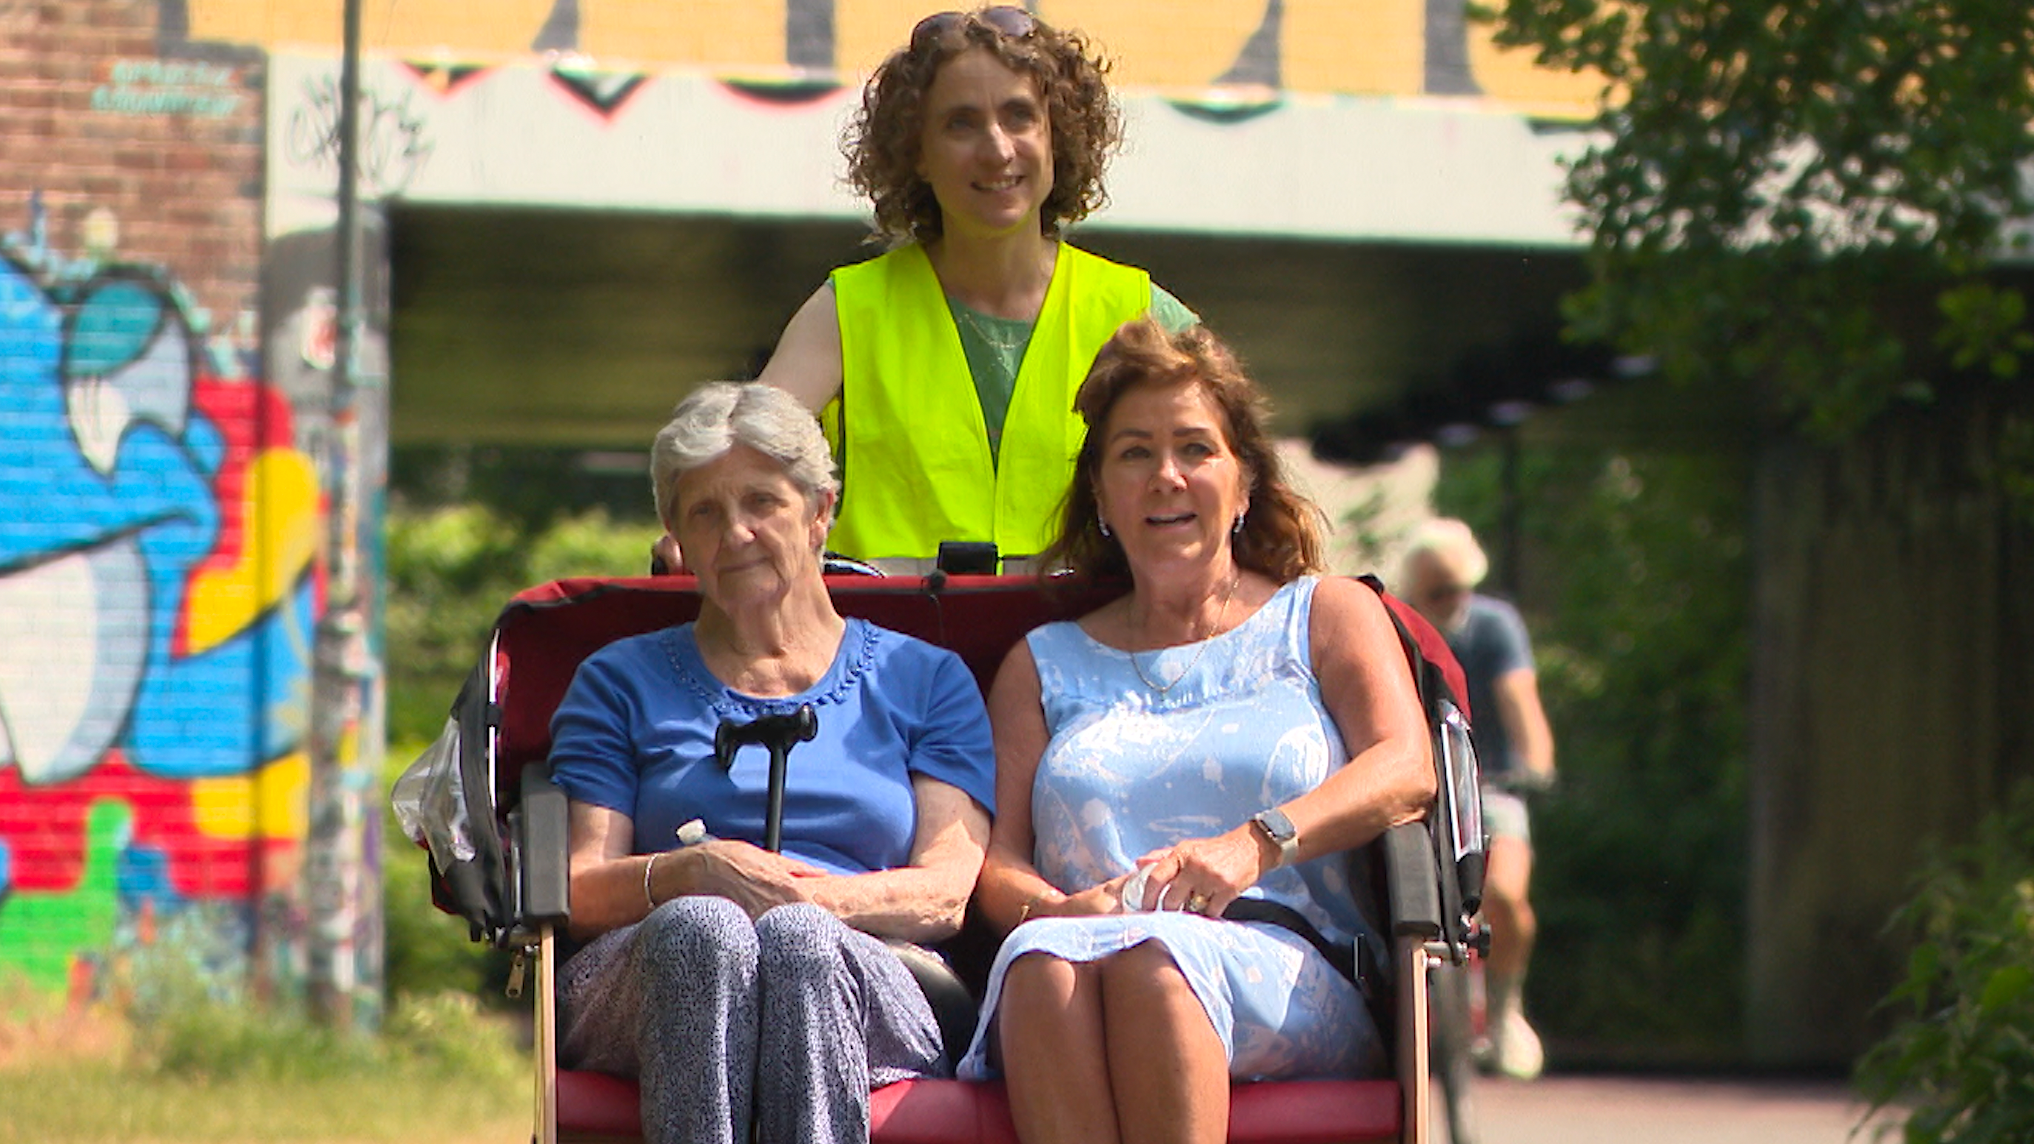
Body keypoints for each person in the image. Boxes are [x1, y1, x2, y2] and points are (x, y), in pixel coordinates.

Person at [960, 318, 1437, 1144]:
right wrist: (1059, 909)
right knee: (1038, 968)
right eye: (1135, 454)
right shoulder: (1041, 664)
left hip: (1279, 960)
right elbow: (996, 861)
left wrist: (1256, 842)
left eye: (1195, 449)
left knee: (1159, 961)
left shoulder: (1323, 615)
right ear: (1102, 496)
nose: (1166, 477)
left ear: (1245, 480)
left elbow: (1407, 768)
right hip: (1078, 955)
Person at [549, 382, 997, 1144]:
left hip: (876, 968)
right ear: (676, 535)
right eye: (705, 512)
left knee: (799, 943)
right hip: (652, 967)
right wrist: (689, 873)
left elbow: (947, 893)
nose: (736, 534)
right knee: (704, 928)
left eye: (762, 502)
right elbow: (577, 886)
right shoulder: (617, 679)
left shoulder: (924, 678)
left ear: (821, 510)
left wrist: (794, 901)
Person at [755, 6, 1197, 573]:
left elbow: (1236, 478)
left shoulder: (1140, 313)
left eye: (1019, 117)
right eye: (961, 123)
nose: (996, 148)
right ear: (917, 152)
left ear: (1056, 135)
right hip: (888, 653)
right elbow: (743, 458)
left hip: (1085, 651)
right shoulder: (845, 312)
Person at [1400, 517, 1556, 1081]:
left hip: (1492, 786)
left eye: (1457, 588)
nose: (1449, 601)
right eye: (1437, 591)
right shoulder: (1397, 627)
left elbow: (1521, 702)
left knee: (1508, 896)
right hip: (1420, 787)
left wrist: (1537, 764)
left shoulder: (1494, 627)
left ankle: (1506, 1006)